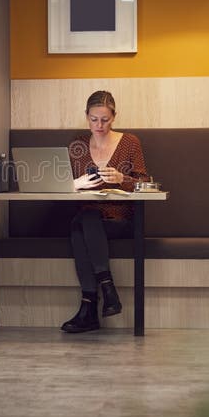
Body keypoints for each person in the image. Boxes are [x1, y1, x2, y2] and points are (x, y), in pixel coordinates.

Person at [61, 90, 149, 334]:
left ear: (114, 117)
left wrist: (122, 178)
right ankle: (106, 292)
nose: (99, 125)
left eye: (105, 119)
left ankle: (89, 307)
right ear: (86, 117)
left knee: (81, 223)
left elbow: (144, 183)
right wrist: (73, 184)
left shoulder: (130, 142)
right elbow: (59, 182)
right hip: (88, 218)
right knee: (83, 221)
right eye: (94, 119)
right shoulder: (77, 145)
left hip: (120, 219)